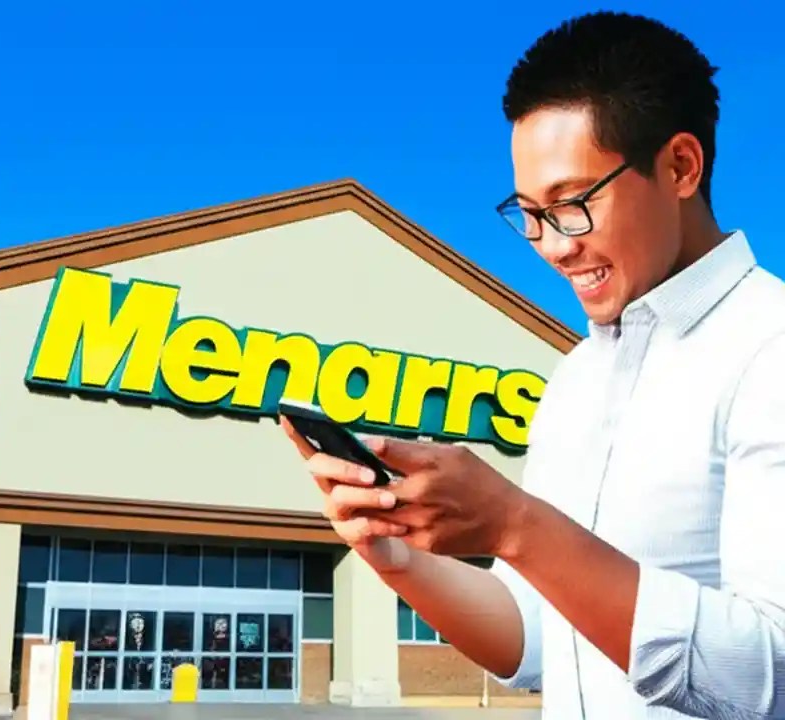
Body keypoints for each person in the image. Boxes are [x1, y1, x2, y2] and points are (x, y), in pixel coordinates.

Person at [282, 11, 785, 720]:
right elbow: (541, 642)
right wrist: (396, 556)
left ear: (679, 166)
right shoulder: (575, 379)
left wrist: (517, 526)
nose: (551, 245)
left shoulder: (770, 347)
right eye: (527, 213)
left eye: (572, 204)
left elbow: (772, 672)